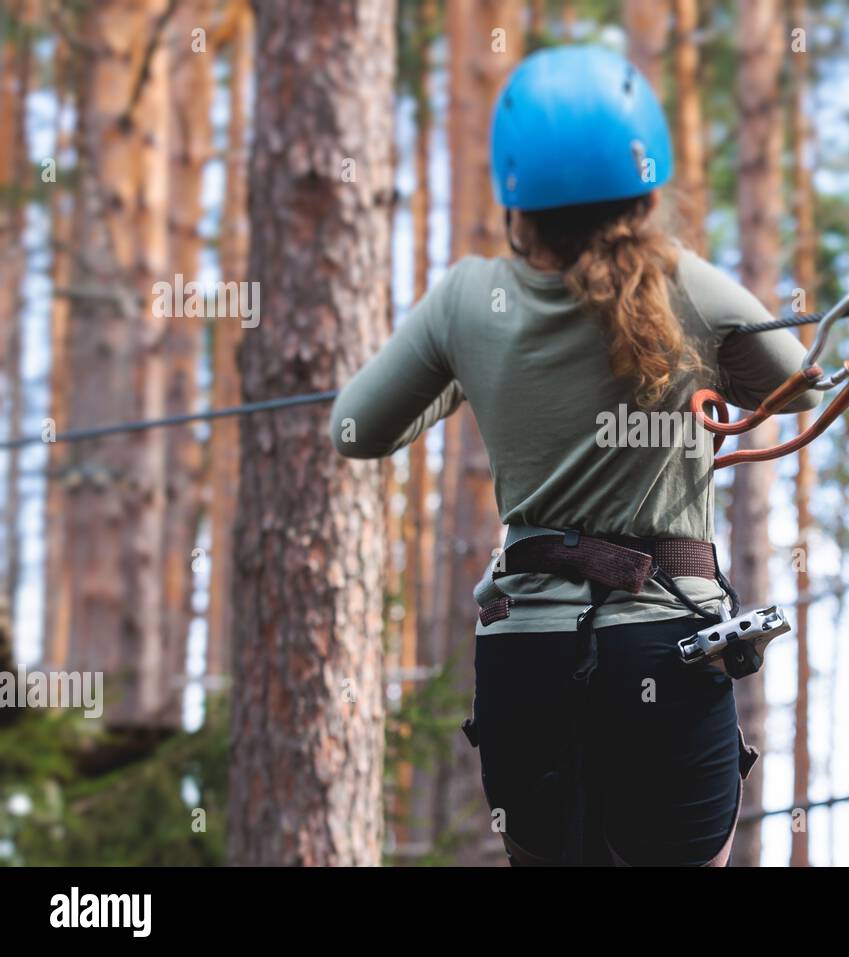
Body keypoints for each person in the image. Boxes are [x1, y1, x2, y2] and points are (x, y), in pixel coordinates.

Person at [330, 44, 819, 866]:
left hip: (529, 658)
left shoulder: (465, 301)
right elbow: (798, 389)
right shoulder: (688, 289)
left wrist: (469, 371)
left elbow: (356, 429)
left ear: (514, 196)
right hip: (665, 646)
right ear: (647, 184)